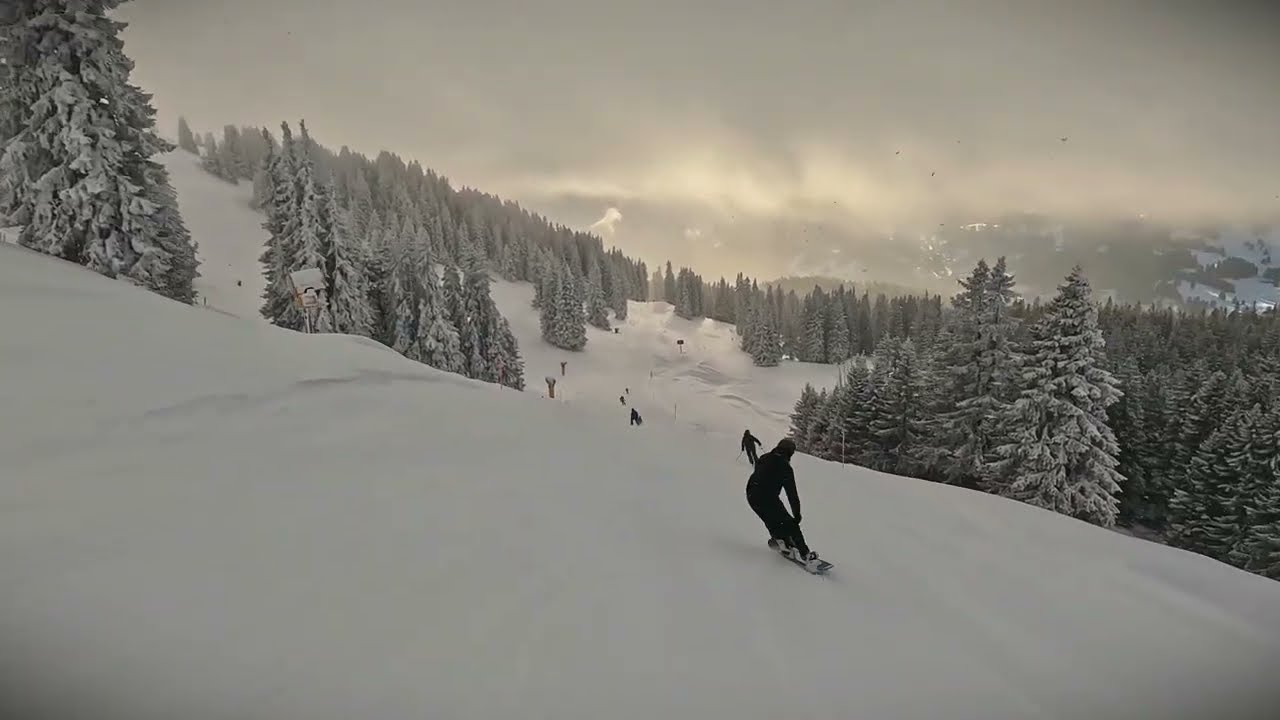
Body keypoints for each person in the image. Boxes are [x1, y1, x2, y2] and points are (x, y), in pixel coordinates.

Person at [745, 438, 818, 565]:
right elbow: (792, 494)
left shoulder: (764, 458)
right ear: (789, 452)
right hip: (767, 497)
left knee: (772, 520)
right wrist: (797, 514)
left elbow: (759, 474)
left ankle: (782, 543)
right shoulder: (785, 468)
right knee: (790, 524)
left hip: (751, 495)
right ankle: (805, 555)